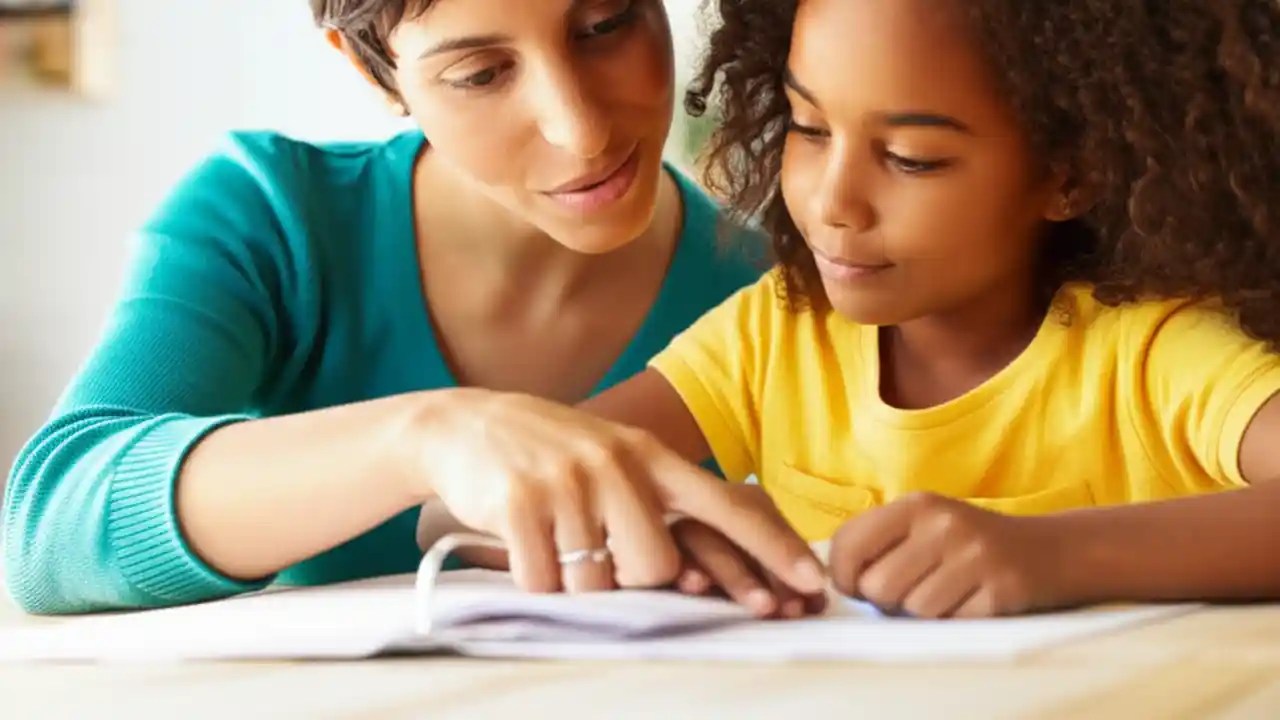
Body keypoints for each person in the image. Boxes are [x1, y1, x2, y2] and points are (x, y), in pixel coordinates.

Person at [1, 0, 827, 615]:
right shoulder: (275, 220)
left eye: (605, 24)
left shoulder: (785, 299)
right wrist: (429, 437)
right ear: (375, 71)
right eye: (480, 74)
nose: (579, 130)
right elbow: (48, 528)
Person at [563, 0, 1280, 618]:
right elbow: (533, 477)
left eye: (911, 158)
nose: (833, 204)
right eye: (809, 127)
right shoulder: (774, 336)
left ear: (1072, 173)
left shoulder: (1153, 354)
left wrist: (1053, 555)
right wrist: (650, 524)